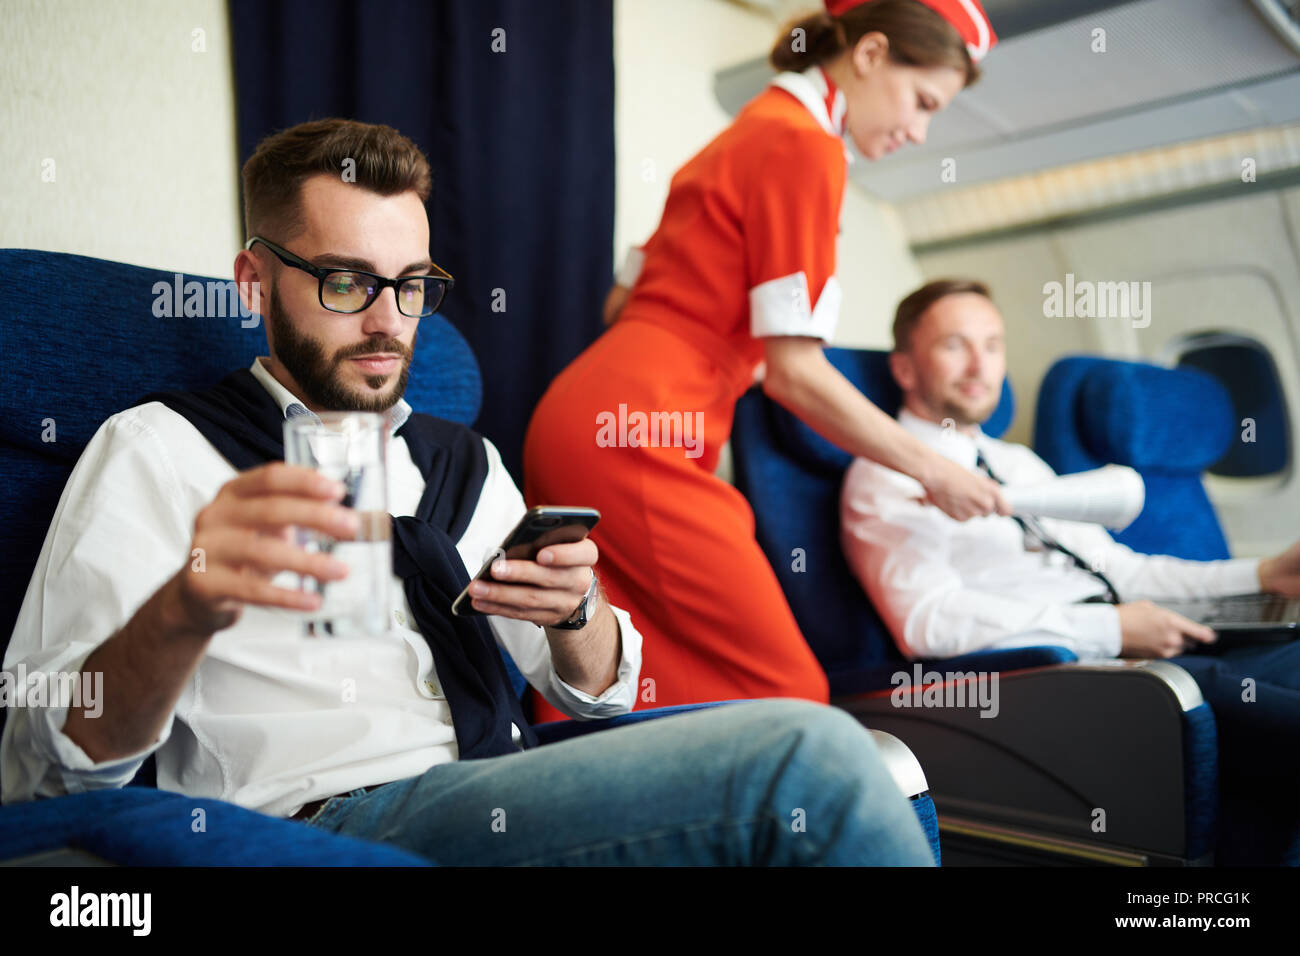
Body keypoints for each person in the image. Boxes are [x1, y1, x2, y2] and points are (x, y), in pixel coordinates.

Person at [0, 118, 935, 866]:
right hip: (319, 824)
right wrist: (185, 607)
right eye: (345, 282)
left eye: (412, 285)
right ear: (255, 283)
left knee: (865, 760)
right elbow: (39, 770)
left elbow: (600, 690)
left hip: (507, 793)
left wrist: (580, 615)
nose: (387, 323)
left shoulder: (467, 462)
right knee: (811, 766)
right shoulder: (158, 449)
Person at [523, 0, 1008, 720]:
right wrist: (935, 468)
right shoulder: (807, 148)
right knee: (791, 696)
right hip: (642, 437)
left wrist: (721, 358)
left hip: (588, 414)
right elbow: (796, 373)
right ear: (871, 55)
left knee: (616, 684)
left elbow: (620, 308)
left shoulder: (746, 131)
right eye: (922, 101)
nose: (919, 129)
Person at [839, 276, 1300, 862]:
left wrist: (1264, 575)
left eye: (993, 344)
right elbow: (927, 623)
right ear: (905, 369)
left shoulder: (1019, 463)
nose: (981, 364)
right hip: (1083, 678)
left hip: (1149, 648)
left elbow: (1123, 570)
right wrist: (1111, 629)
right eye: (955, 345)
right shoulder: (886, 476)